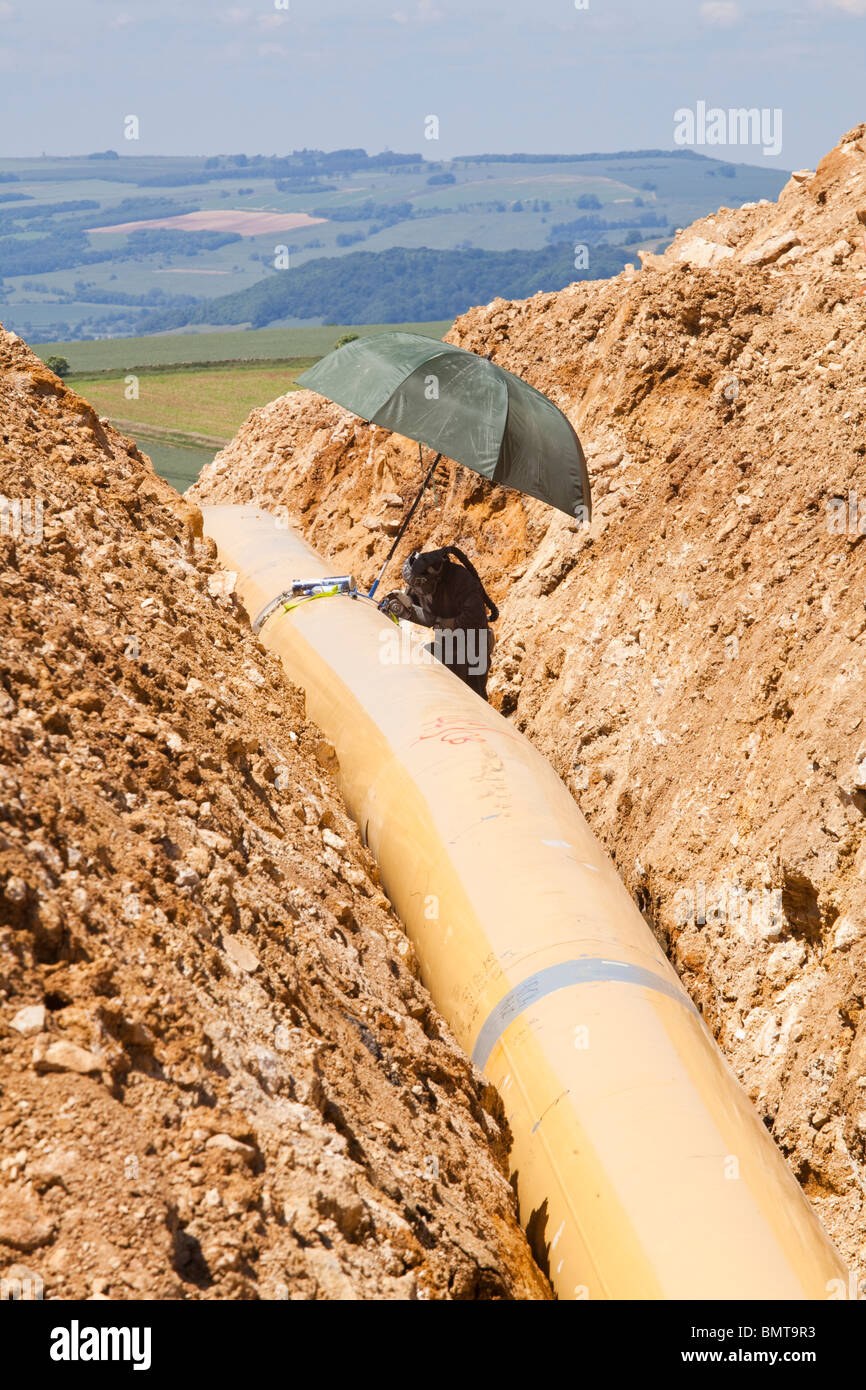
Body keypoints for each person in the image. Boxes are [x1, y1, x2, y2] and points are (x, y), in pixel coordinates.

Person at [380, 546, 498, 699]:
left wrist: (445, 623)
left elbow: (475, 616)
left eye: (419, 586)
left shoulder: (461, 580)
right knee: (448, 694)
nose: (416, 590)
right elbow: (409, 605)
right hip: (448, 644)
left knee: (474, 697)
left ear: (435, 577)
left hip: (474, 647)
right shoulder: (420, 581)